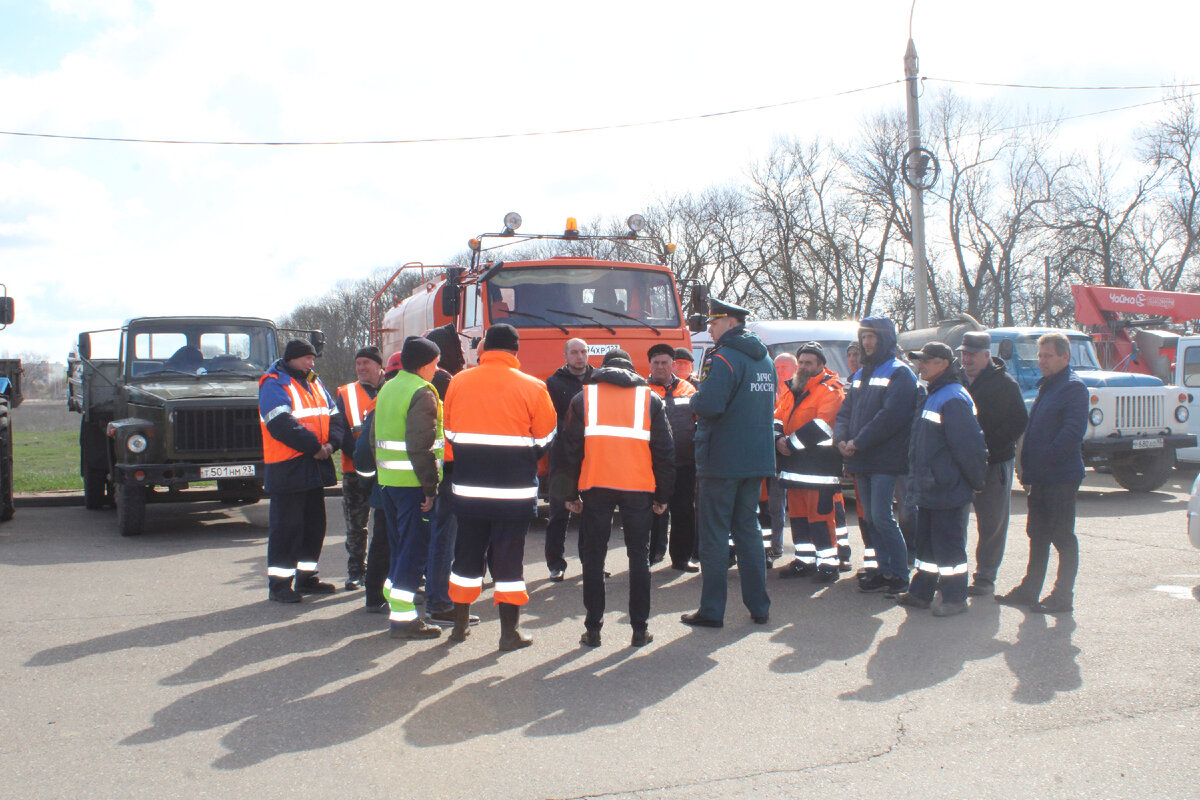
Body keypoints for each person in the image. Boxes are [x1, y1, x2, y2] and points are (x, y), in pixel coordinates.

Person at [443, 324, 558, 650]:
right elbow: (547, 437)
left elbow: (449, 432)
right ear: (516, 352)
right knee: (508, 562)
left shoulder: (459, 381)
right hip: (514, 493)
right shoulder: (534, 387)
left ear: (484, 350)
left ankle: (459, 627)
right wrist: (523, 455)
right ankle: (509, 633)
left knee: (465, 558)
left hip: (469, 490)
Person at [555, 349, 675, 647]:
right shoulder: (651, 399)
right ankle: (639, 629)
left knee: (594, 558)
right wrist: (663, 496)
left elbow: (567, 450)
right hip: (639, 487)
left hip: (596, 485)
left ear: (603, 370)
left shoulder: (584, 399)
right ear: (632, 370)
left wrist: (568, 494)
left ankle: (593, 629)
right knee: (639, 558)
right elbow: (664, 453)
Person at [681, 298, 775, 628]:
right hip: (756, 458)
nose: (710, 328)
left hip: (722, 459)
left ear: (731, 323)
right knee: (748, 530)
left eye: (714, 322)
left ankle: (712, 609)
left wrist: (693, 395)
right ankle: (759, 607)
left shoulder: (724, 359)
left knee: (714, 536)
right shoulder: (765, 360)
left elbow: (709, 405)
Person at [997, 332, 1088, 614]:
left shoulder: (1073, 388)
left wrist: (1046, 460)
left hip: (1060, 476)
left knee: (1062, 535)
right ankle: (1029, 590)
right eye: (1039, 355)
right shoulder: (1047, 387)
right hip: (1040, 477)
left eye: (1048, 355)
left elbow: (1072, 431)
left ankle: (1063, 596)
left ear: (1065, 357)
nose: (1042, 361)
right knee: (1037, 533)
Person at [895, 343, 988, 617]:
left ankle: (955, 598)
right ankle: (921, 592)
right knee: (926, 544)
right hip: (931, 486)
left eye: (927, 361)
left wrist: (975, 482)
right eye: (920, 361)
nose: (921, 365)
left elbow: (969, 447)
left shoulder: (953, 398)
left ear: (944, 364)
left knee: (948, 547)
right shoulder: (934, 394)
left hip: (947, 486)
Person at [833, 317, 919, 597]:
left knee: (881, 517)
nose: (867, 343)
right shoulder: (860, 374)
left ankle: (900, 573)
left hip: (884, 459)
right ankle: (884, 570)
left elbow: (890, 418)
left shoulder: (900, 373)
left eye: (872, 337)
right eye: (864, 337)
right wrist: (841, 440)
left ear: (885, 339)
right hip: (860, 458)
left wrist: (856, 442)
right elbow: (845, 412)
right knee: (870, 518)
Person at [258, 339, 346, 603]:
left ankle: (307, 578)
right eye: (307, 358)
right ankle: (280, 585)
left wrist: (331, 444)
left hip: (313, 464)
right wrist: (315, 447)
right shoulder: (274, 383)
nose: (311, 362)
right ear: (292, 359)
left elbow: (336, 417)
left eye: (313, 358)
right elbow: (280, 424)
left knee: (313, 526)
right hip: (288, 465)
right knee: (287, 528)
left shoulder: (314, 382)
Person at [373, 336, 445, 639]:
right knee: (414, 551)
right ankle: (403, 621)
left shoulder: (389, 386)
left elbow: (372, 437)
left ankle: (394, 599)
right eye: (436, 363)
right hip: (413, 484)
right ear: (427, 364)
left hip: (389, 482)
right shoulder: (422, 391)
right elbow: (421, 446)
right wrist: (430, 488)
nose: (437, 369)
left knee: (401, 547)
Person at [957, 332, 1028, 596]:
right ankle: (955, 574)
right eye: (964, 354)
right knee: (955, 521)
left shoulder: (1005, 384)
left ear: (987, 356)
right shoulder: (957, 381)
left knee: (992, 523)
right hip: (961, 464)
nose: (967, 359)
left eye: (973, 354)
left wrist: (991, 446)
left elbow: (1020, 421)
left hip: (994, 464)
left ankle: (985, 576)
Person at [774, 343, 846, 583]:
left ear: (821, 365)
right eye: (801, 362)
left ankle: (828, 564)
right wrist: (777, 439)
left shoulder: (831, 389)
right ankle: (804, 560)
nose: (803, 367)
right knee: (798, 518)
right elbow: (777, 418)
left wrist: (788, 444)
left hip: (819, 470)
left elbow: (824, 426)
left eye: (808, 363)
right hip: (794, 469)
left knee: (821, 519)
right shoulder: (792, 387)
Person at [422, 323, 473, 627]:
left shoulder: (432, 380)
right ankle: (439, 602)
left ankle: (435, 596)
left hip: (437, 469)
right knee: (445, 539)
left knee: (437, 537)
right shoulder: (445, 381)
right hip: (449, 469)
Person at [542, 338, 593, 581]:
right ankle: (555, 563)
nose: (580, 357)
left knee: (593, 514)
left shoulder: (599, 380)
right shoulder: (553, 382)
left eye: (583, 352)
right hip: (562, 458)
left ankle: (591, 562)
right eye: (574, 352)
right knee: (559, 514)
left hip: (592, 457)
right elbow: (553, 419)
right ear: (565, 356)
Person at [645, 342, 698, 571]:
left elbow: (700, 421)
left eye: (664, 362)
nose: (660, 367)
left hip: (685, 463)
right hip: (652, 464)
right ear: (650, 365)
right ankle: (650, 557)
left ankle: (681, 559)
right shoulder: (642, 390)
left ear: (672, 364)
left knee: (684, 512)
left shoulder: (688, 389)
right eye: (655, 363)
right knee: (652, 512)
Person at [335, 345, 385, 590]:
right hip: (354, 469)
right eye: (358, 363)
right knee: (356, 524)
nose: (362, 368)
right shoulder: (346, 393)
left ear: (379, 365)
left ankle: (387, 572)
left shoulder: (391, 388)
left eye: (366, 363)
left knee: (387, 524)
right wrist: (359, 455)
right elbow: (340, 430)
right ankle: (356, 571)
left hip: (387, 469)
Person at [759, 353, 798, 560]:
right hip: (767, 456)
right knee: (768, 505)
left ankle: (776, 545)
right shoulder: (768, 390)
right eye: (777, 366)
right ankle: (771, 546)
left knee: (780, 504)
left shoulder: (795, 392)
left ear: (795, 369)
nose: (779, 370)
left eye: (784, 366)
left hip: (788, 454)